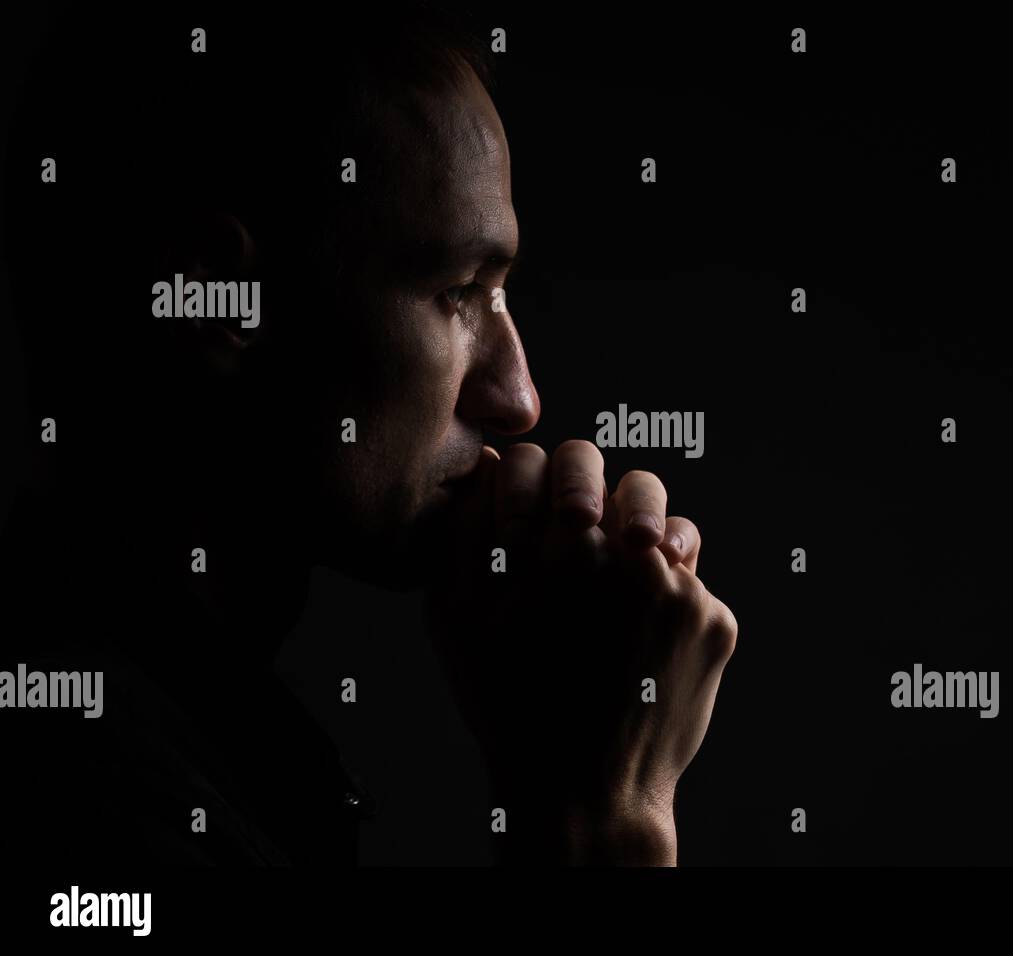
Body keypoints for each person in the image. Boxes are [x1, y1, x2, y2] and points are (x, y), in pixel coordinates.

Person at [0, 4, 737, 866]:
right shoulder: (92, 807)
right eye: (459, 292)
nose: (520, 398)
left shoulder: (180, 743)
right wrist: (604, 822)